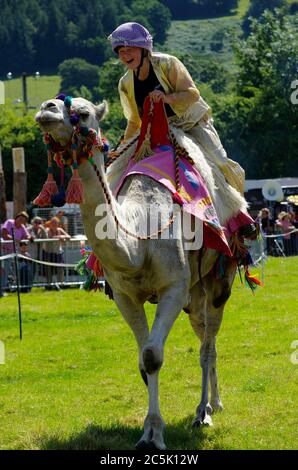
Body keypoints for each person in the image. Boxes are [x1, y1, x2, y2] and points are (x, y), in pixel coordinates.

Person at [107, 22, 256, 239]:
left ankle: (241, 214)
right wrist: (120, 150)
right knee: (116, 171)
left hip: (191, 123)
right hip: (155, 132)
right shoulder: (125, 83)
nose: (125, 55)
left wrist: (167, 98)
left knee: (220, 160)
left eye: (129, 49)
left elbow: (192, 93)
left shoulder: (168, 64)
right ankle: (114, 223)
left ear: (144, 49)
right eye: (120, 51)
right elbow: (134, 121)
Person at [1, 212, 31, 290]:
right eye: (20, 219)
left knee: (16, 270)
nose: (21, 221)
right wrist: (15, 239)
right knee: (5, 271)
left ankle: (11, 287)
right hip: (4, 251)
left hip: (15, 252)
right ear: (16, 218)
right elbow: (4, 234)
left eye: (23, 220)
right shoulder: (9, 222)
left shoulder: (22, 226)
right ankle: (3, 289)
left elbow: (27, 235)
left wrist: (30, 237)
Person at [43, 217, 71, 289]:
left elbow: (68, 236)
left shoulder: (60, 229)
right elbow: (50, 237)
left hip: (58, 253)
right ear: (50, 223)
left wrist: (61, 236)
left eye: (56, 223)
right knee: (49, 269)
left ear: (58, 224)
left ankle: (61, 284)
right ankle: (49, 285)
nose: (54, 224)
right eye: (52, 223)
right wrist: (59, 237)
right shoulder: (47, 230)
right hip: (49, 252)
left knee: (61, 268)